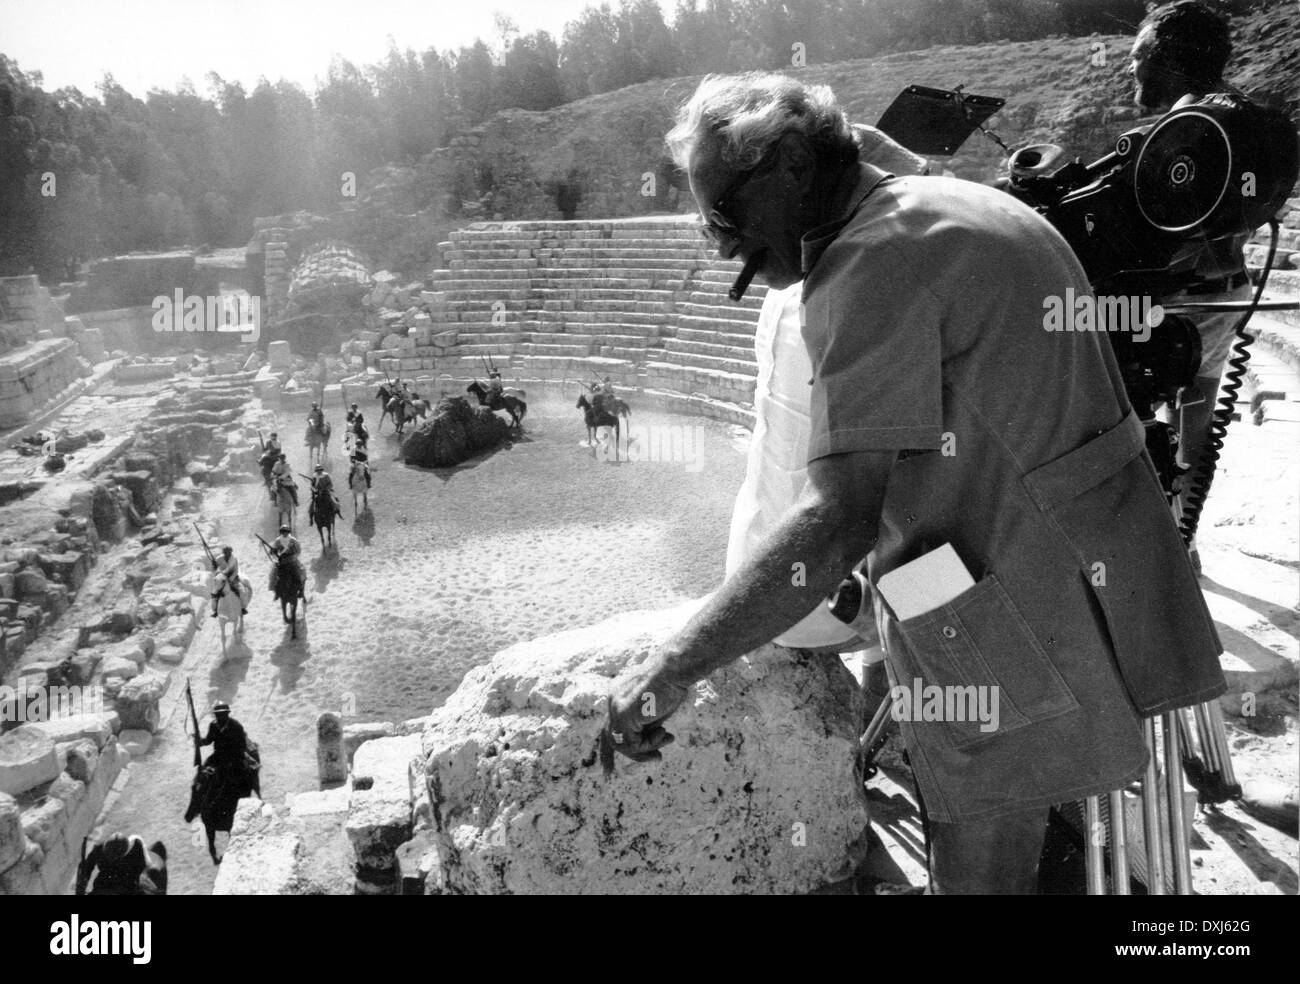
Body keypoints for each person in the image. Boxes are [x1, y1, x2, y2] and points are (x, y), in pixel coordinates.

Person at [607, 73, 1225, 894]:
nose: (722, 247)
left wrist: (675, 664)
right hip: (1096, 595)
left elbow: (835, 522)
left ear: (792, 163)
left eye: (725, 215)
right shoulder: (963, 205)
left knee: (981, 875)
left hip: (1012, 639)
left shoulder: (867, 269)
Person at [1128, 1, 1252, 572]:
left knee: (1138, 422)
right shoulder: (1242, 121)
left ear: (1165, 60)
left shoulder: (1183, 135)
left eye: (1138, 58)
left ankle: (1160, 551)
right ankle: (1187, 539)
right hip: (1226, 292)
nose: (1132, 72)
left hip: (1173, 301)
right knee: (1195, 419)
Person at [75, 833, 167, 896]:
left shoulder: (136, 850)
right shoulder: (99, 849)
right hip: (104, 884)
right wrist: (82, 883)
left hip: (128, 885)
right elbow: (86, 867)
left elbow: (139, 870)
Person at [198, 701, 257, 797]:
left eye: (222, 714)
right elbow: (209, 740)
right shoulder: (213, 725)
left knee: (239, 777)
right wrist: (200, 741)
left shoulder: (236, 726)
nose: (219, 717)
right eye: (217, 715)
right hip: (218, 755)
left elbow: (242, 746)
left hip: (234, 756)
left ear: (227, 714)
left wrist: (230, 756)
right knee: (204, 771)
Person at [210, 545, 248, 617]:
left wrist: (230, 579)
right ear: (223, 552)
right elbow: (214, 570)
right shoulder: (218, 559)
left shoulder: (234, 559)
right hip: (221, 579)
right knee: (214, 593)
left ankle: (242, 608)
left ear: (231, 552)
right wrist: (214, 566)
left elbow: (236, 571)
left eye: (229, 552)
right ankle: (215, 610)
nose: (227, 554)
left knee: (240, 591)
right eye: (226, 552)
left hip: (233, 578)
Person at [268, 524, 304, 592]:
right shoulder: (278, 541)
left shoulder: (293, 540)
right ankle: (275, 589)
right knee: (274, 572)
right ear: (281, 532)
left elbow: (298, 550)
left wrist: (294, 556)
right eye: (283, 531)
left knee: (299, 571)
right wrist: (273, 552)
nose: (285, 533)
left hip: (292, 560)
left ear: (288, 532)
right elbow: (274, 550)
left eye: (286, 531)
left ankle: (301, 588)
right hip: (282, 560)